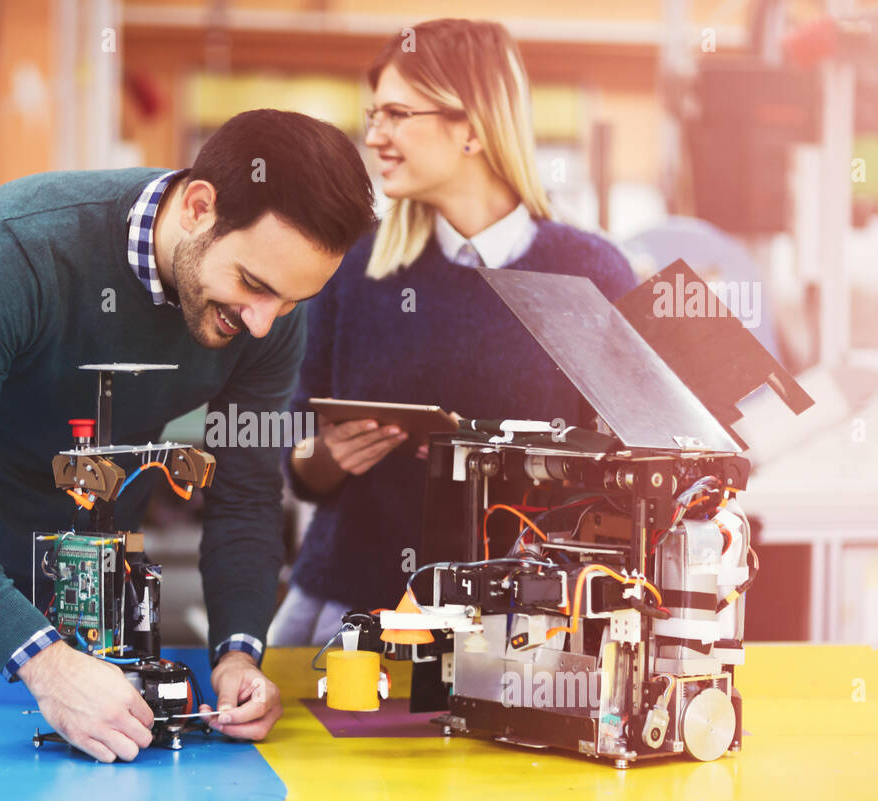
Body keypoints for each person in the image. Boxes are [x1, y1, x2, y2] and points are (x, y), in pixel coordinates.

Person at [0, 109, 377, 761]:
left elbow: (245, 497)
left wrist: (239, 654)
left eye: (292, 301)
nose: (265, 323)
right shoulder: (17, 249)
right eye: (254, 285)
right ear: (198, 207)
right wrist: (43, 661)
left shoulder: (266, 317)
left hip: (98, 605)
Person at [272, 19, 637, 646]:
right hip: (353, 615)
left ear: (471, 128)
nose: (375, 136)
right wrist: (327, 458)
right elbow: (298, 454)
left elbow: (624, 471)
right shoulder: (356, 267)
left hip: (527, 628)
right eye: (373, 115)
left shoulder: (590, 274)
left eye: (396, 114)